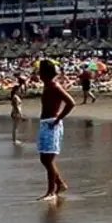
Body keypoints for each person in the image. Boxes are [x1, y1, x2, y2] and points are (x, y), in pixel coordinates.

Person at [36, 59, 76, 200]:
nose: (38, 74)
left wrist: (59, 118)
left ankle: (51, 191)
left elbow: (71, 103)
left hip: (52, 123)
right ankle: (60, 184)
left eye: (40, 71)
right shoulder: (47, 85)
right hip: (45, 123)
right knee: (44, 158)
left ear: (45, 73)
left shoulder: (54, 86)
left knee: (48, 159)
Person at [9, 79, 24, 145]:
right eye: (19, 90)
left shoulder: (16, 97)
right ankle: (14, 140)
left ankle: (14, 139)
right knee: (15, 127)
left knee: (15, 127)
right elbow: (16, 106)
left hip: (15, 112)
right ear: (16, 90)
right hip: (16, 113)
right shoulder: (15, 97)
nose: (20, 91)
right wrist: (20, 114)